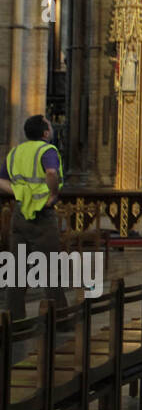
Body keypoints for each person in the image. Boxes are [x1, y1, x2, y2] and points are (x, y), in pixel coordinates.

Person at [0, 114, 69, 320]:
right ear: (46, 132)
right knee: (49, 268)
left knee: (17, 269)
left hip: (20, 213)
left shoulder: (16, 152)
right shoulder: (47, 150)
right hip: (42, 215)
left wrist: (20, 193)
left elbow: (1, 180)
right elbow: (50, 173)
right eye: (50, 126)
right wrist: (53, 193)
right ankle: (61, 319)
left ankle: (14, 318)